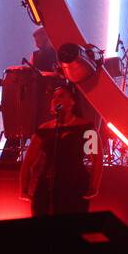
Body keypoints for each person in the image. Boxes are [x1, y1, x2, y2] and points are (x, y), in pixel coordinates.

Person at [20, 84, 103, 216]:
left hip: (75, 185)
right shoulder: (44, 130)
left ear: (72, 101)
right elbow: (28, 161)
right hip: (47, 185)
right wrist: (24, 188)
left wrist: (94, 186)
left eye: (61, 96)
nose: (56, 99)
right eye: (54, 97)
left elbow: (97, 159)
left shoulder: (87, 128)